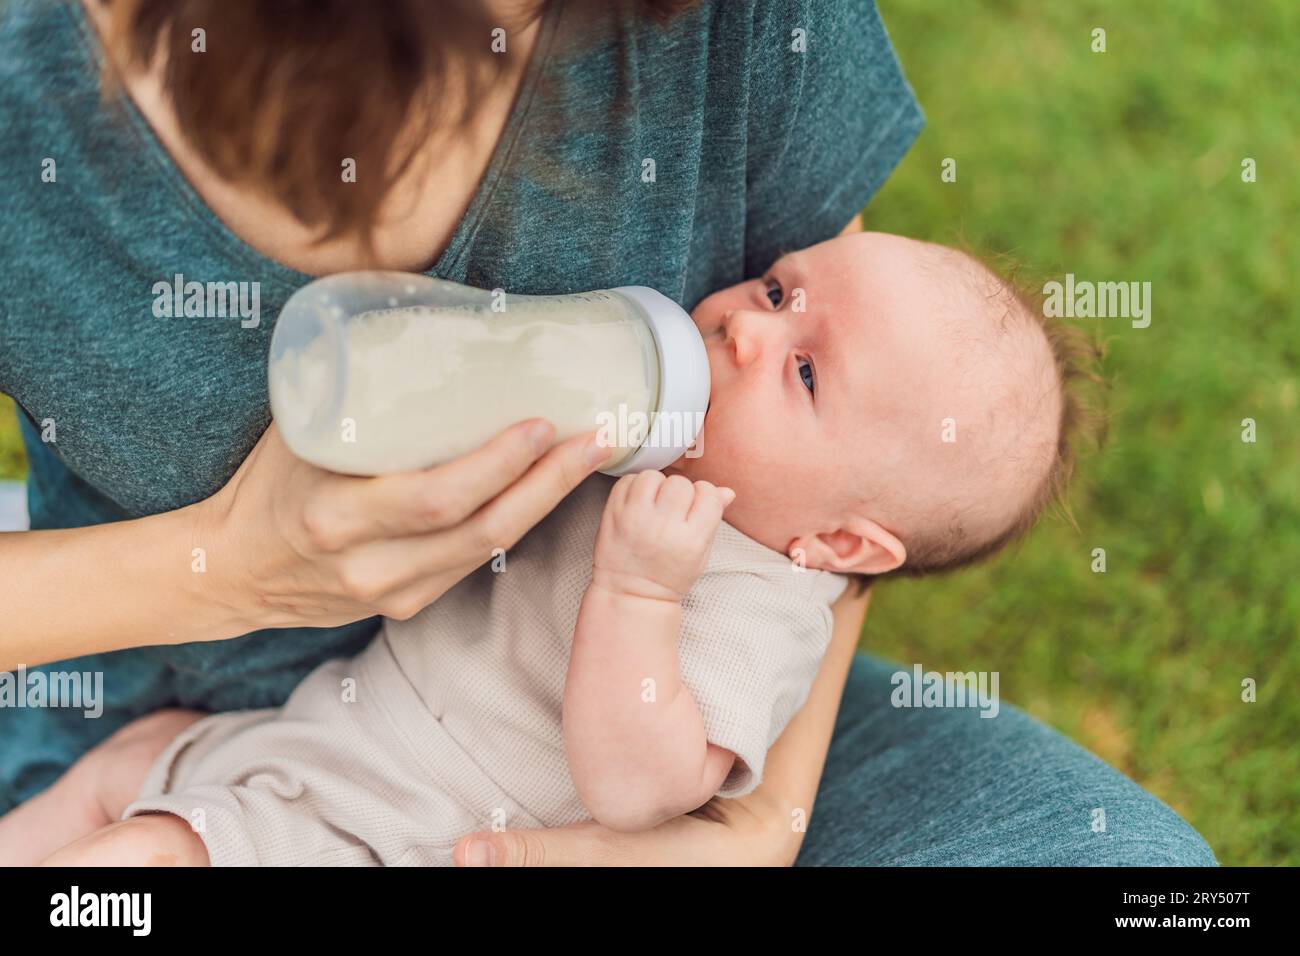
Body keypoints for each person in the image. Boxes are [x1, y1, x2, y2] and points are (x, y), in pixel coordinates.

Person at [0, 0, 1214, 865]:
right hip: (206, 696)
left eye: (796, 367)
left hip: (437, 822)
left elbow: (651, 779)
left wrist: (756, 825)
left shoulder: (745, 581)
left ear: (843, 542)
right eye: (776, 290)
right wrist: (227, 565)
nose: (741, 324)